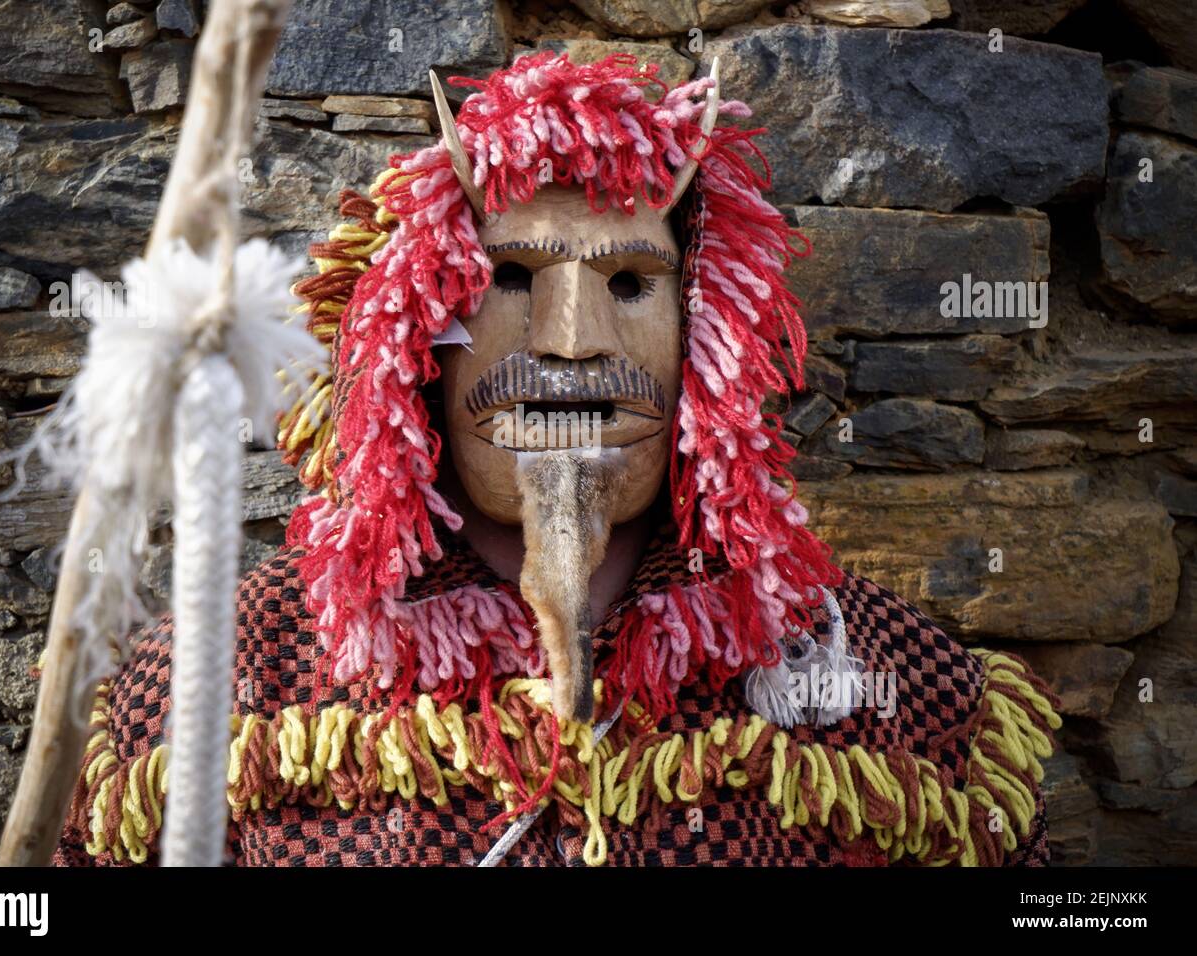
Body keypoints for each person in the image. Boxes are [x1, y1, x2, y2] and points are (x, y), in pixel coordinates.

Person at [54, 53, 1059, 867]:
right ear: (414, 339)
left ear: (707, 337)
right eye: (506, 276)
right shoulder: (225, 678)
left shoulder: (882, 686)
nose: (570, 340)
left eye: (629, 281)